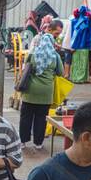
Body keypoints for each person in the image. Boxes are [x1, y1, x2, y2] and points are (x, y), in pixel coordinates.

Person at [18, 19, 62, 150]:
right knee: (41, 118)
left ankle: (23, 141)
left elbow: (25, 67)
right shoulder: (55, 56)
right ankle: (38, 143)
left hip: (30, 90)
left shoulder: (33, 53)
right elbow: (60, 73)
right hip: (46, 92)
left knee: (26, 117)